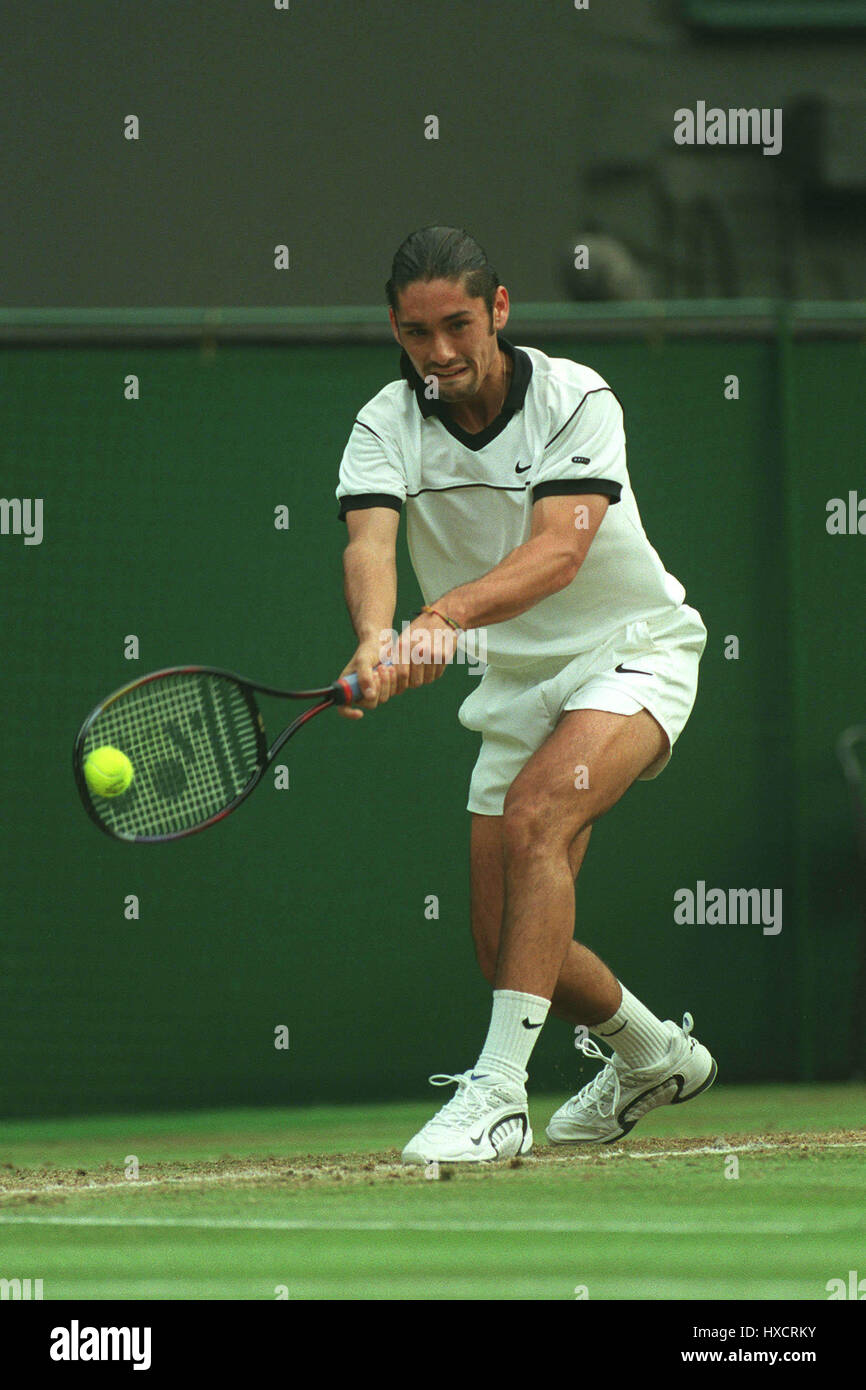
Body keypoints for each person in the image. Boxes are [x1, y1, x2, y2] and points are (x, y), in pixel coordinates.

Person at [335, 226, 716, 1163]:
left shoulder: (575, 397)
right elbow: (369, 544)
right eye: (418, 333)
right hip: (516, 683)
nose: (441, 353)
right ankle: (654, 1055)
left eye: (459, 325)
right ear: (395, 328)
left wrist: (446, 618)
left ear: (498, 310)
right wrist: (378, 639)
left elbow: (559, 552)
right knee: (506, 944)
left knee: (537, 814)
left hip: (632, 651)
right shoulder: (385, 422)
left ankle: (499, 1095)